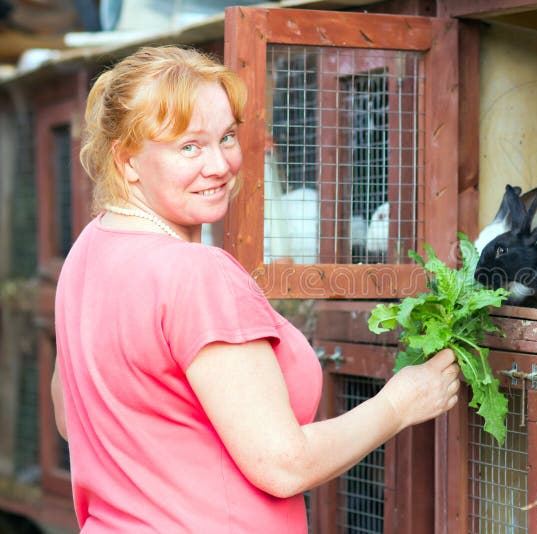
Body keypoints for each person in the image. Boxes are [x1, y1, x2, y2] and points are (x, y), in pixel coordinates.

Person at [51, 45, 460, 533]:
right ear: (128, 160)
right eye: (188, 146)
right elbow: (283, 464)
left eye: (225, 137)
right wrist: (399, 404)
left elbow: (67, 418)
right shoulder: (196, 274)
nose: (220, 164)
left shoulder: (88, 251)